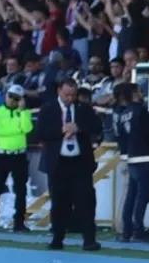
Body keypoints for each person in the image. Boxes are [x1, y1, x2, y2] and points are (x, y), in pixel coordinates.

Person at [37, 78, 101, 252]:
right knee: (59, 203)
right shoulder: (48, 109)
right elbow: (39, 132)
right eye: (67, 95)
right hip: (58, 164)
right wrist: (61, 130)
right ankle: (57, 238)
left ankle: (89, 239)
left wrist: (78, 128)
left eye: (73, 95)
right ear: (59, 91)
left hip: (80, 163)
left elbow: (97, 127)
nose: (70, 98)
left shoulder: (84, 109)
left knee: (86, 201)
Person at [117, 82, 149, 243]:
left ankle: (126, 231)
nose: (142, 94)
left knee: (131, 196)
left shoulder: (123, 113)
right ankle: (138, 230)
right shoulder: (141, 111)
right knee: (143, 196)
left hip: (131, 158)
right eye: (139, 91)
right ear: (134, 93)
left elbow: (122, 138)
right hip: (146, 157)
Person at [0, 83, 32, 232]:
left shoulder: (24, 112)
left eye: (16, 98)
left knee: (21, 190)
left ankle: (19, 222)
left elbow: (27, 128)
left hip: (19, 154)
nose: (13, 100)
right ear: (6, 95)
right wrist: (17, 127)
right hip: (2, 155)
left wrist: (22, 112)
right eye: (11, 96)